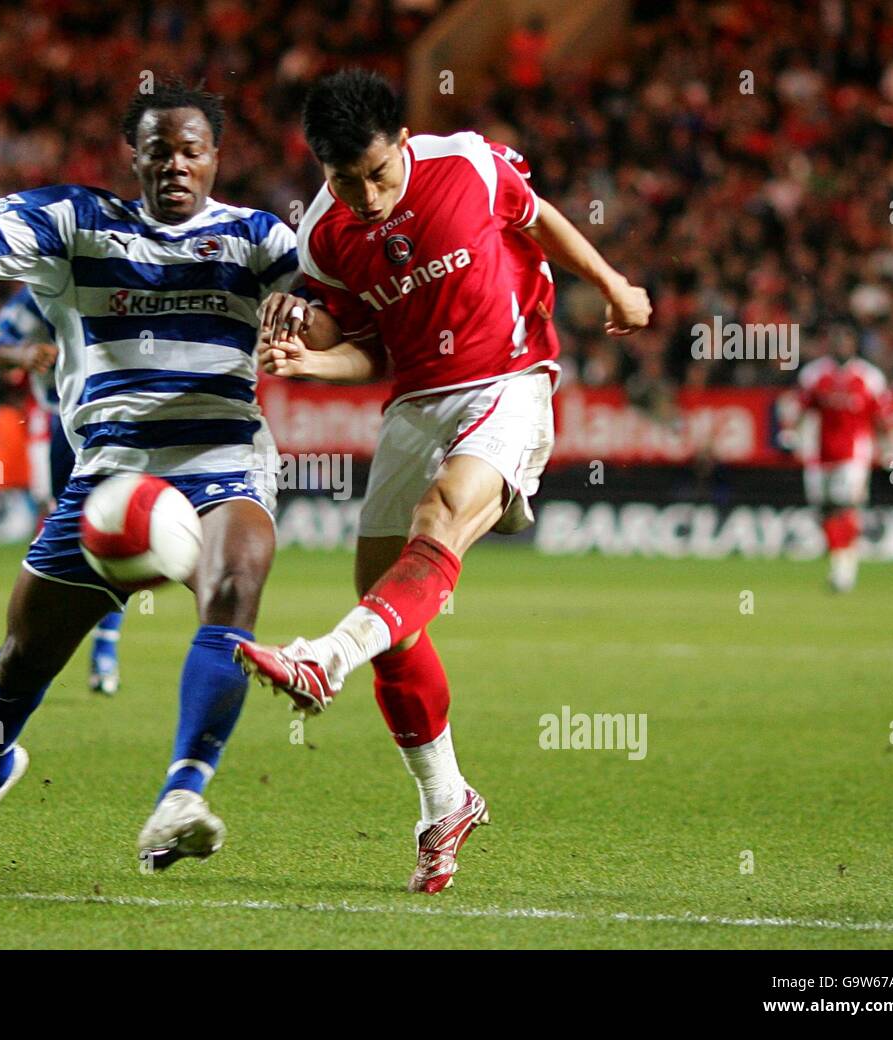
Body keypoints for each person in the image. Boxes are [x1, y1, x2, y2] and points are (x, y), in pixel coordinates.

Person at [237, 69, 652, 893]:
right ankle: (445, 800)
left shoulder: (467, 164)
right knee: (393, 613)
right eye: (342, 179)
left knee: (437, 518)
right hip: (414, 402)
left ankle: (323, 657)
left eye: (378, 173)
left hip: (511, 378)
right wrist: (310, 359)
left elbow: (541, 221)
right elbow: (372, 349)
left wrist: (609, 282)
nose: (365, 195)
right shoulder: (325, 234)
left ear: (401, 143)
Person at [0, 80, 300, 872]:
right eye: (159, 150)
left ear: (216, 159)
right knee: (24, 658)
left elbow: (322, 299)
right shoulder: (73, 222)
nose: (175, 165)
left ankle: (181, 796)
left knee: (233, 593)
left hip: (220, 461)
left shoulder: (261, 238)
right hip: (108, 480)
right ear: (135, 156)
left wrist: (303, 318)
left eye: (192, 150)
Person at [0, 286, 125, 694]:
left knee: (113, 530)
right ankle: (33, 649)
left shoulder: (120, 280)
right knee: (59, 530)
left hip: (113, 424)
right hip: (54, 425)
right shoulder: (40, 294)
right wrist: (24, 355)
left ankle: (103, 650)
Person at [786, 326, 893, 592]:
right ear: (830, 342)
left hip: (853, 455)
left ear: (854, 344)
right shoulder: (814, 374)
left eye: (846, 340)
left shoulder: (869, 377)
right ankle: (839, 560)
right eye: (837, 339)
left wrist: (888, 450)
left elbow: (881, 417)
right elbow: (801, 407)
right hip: (819, 454)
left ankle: (845, 568)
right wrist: (792, 434)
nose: (841, 344)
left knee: (845, 507)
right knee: (824, 510)